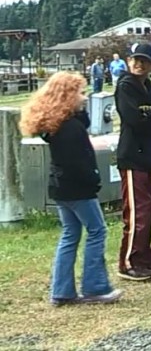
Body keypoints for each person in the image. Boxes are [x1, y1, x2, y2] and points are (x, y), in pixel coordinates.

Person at [19, 72, 123, 306]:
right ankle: (95, 287)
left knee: (70, 234)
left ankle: (62, 290)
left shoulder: (57, 126)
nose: (83, 97)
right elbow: (79, 161)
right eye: (79, 93)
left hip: (61, 188)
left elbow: (83, 124)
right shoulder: (71, 129)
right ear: (68, 96)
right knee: (97, 230)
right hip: (78, 189)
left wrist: (81, 109)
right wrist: (94, 180)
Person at [115, 41, 151, 281]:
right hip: (132, 156)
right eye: (135, 60)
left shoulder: (149, 88)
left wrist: (150, 113)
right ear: (129, 61)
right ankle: (129, 260)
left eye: (144, 61)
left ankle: (145, 254)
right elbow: (134, 118)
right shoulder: (126, 86)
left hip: (148, 156)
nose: (139, 64)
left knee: (148, 209)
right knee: (137, 211)